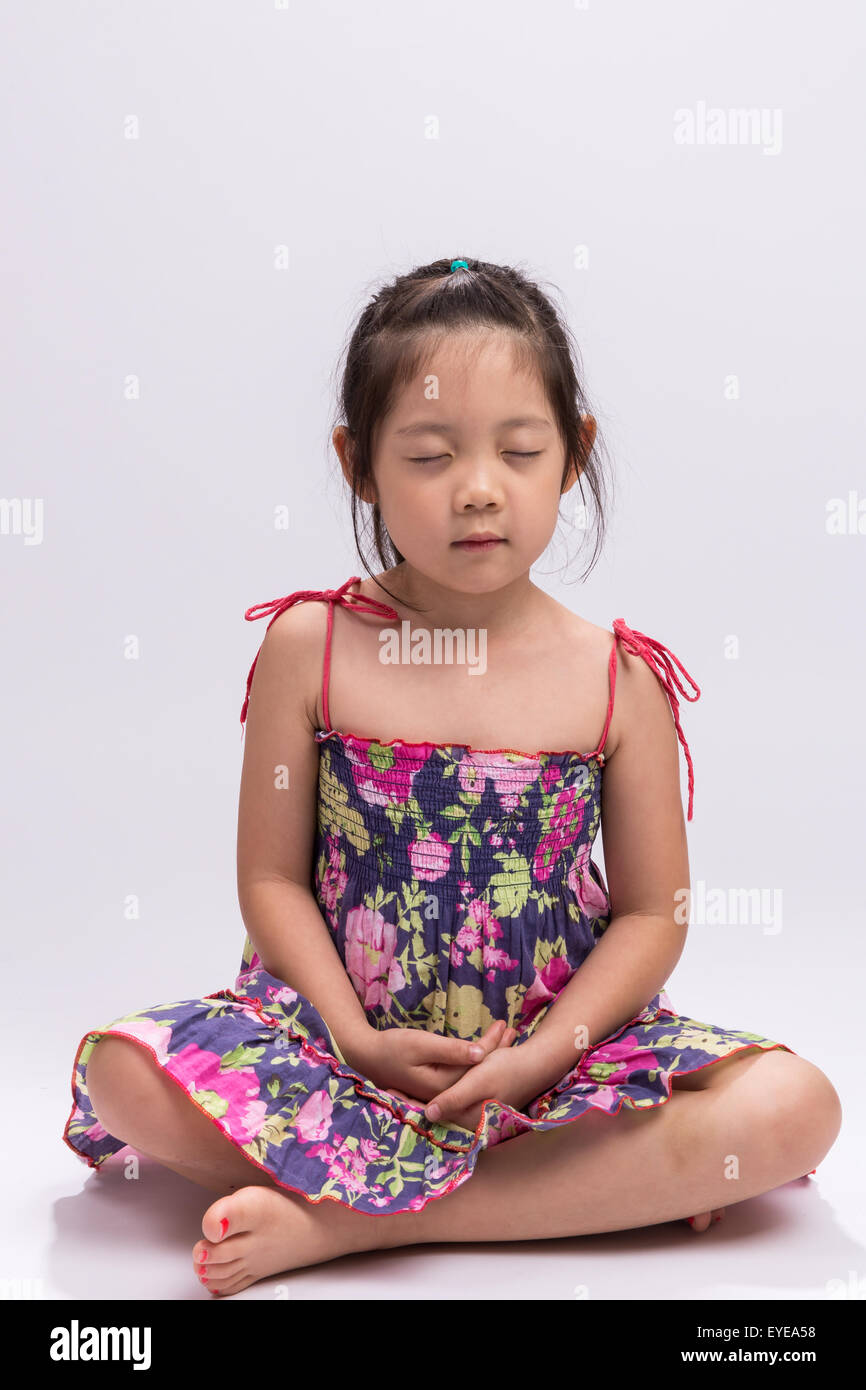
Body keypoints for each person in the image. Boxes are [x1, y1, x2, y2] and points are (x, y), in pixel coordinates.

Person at [63, 256, 841, 1298]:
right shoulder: (313, 644)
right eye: (429, 455)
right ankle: (590, 1194)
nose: (479, 488)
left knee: (796, 1106)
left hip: (553, 1057)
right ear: (357, 463)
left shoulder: (616, 680)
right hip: (340, 1046)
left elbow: (655, 913)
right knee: (125, 1072)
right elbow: (272, 882)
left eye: (518, 449)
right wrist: (350, 1031)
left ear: (572, 454)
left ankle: (351, 1224)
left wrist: (539, 1059)